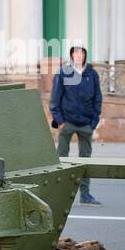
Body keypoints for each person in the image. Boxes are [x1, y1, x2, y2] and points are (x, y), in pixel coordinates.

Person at [50, 46, 104, 206]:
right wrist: (60, 121)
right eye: (76, 53)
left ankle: (85, 195)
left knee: (85, 161)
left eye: (82, 53)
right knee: (61, 159)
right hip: (67, 123)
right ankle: (59, 193)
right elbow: (55, 98)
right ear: (71, 55)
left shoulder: (91, 74)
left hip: (86, 124)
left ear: (85, 55)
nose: (79, 55)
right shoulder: (63, 72)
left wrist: (93, 122)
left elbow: (97, 99)